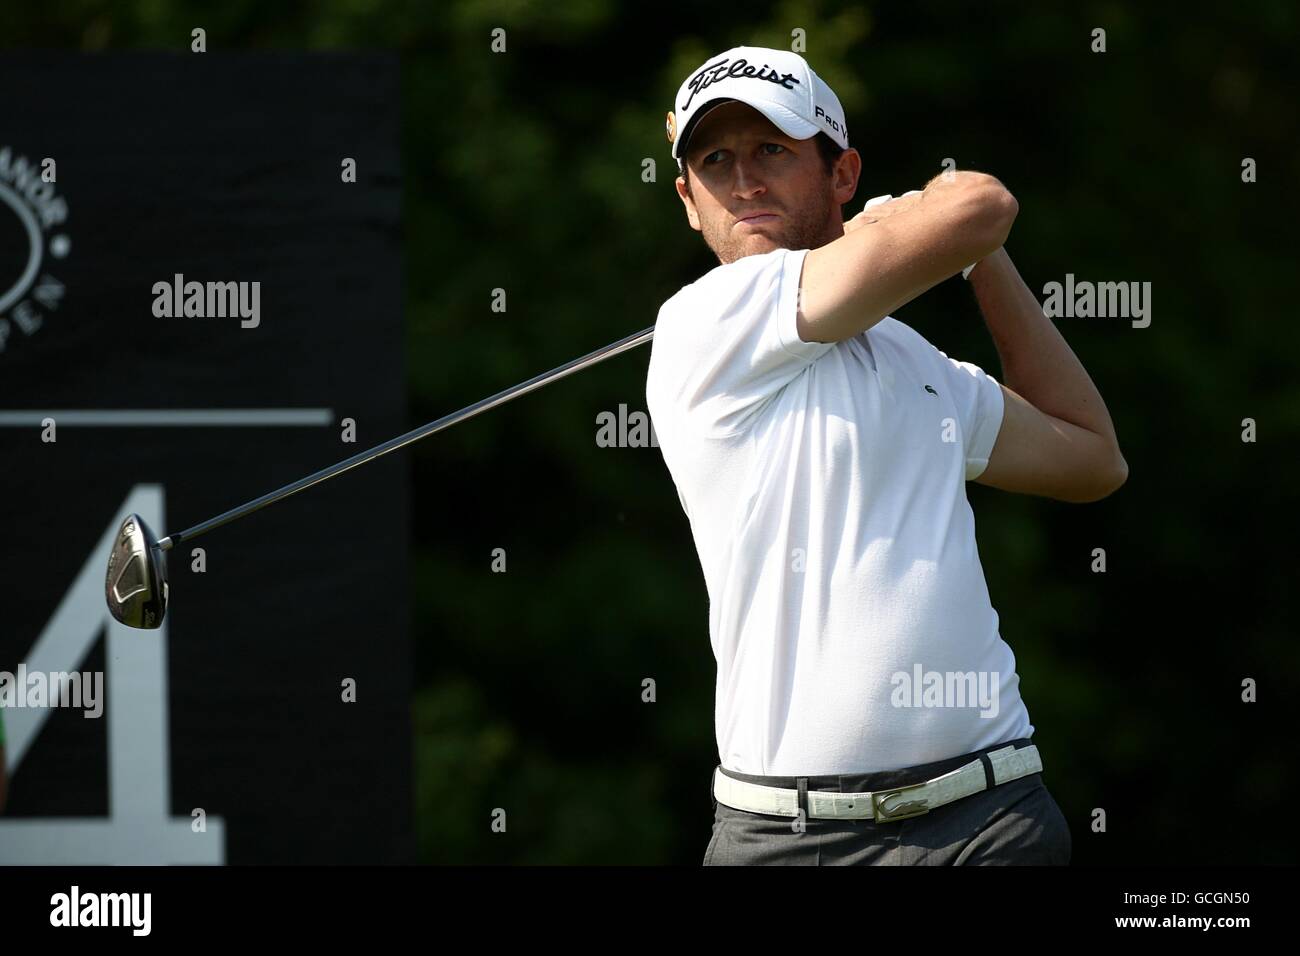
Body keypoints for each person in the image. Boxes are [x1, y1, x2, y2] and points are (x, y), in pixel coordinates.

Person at [646, 46, 1127, 865]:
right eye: (714, 162)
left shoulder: (919, 365)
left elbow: (1091, 458)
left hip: (990, 818)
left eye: (773, 150)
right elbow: (980, 199)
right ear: (690, 201)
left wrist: (980, 260)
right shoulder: (707, 321)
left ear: (842, 175)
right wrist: (929, 223)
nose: (745, 183)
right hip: (788, 839)